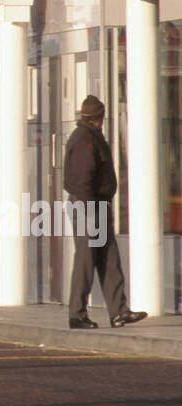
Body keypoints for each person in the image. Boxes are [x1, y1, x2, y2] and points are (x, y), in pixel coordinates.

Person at [63, 95, 147, 329]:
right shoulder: (85, 140)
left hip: (95, 206)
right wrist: (92, 212)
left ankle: (119, 312)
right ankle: (77, 314)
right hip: (89, 207)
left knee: (109, 258)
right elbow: (82, 180)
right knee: (86, 259)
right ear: (99, 117)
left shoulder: (89, 136)